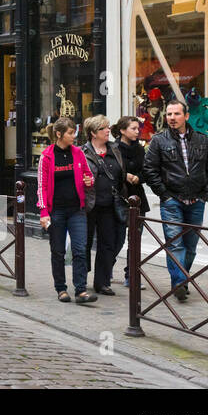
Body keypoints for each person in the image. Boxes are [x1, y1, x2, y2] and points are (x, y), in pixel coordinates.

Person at [143, 97, 208, 301]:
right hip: (172, 200)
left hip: (196, 200)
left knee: (191, 246)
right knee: (175, 243)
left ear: (186, 116)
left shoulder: (202, 140)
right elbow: (150, 170)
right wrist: (164, 195)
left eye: (176, 114)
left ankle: (181, 278)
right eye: (169, 114)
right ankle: (179, 283)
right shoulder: (159, 140)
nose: (172, 118)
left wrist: (205, 194)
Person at [37, 117, 97, 304]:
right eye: (70, 133)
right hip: (56, 211)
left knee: (80, 249)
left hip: (76, 210)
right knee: (58, 251)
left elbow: (89, 175)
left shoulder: (78, 153)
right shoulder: (47, 156)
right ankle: (61, 289)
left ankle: (81, 290)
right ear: (58, 134)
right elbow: (41, 186)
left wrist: (89, 181)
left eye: (74, 132)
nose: (74, 136)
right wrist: (44, 212)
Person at [83, 115, 127, 297]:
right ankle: (80, 279)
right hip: (88, 205)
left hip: (110, 204)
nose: (108, 131)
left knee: (108, 243)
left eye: (108, 127)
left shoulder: (115, 150)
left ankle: (102, 282)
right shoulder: (81, 152)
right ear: (93, 133)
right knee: (83, 244)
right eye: (103, 128)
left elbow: (120, 175)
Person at [112, 116, 149, 286]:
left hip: (137, 198)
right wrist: (124, 176)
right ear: (122, 130)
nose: (137, 131)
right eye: (133, 128)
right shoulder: (113, 148)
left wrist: (138, 178)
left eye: (137, 128)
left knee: (135, 240)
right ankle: (106, 267)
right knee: (117, 239)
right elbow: (109, 172)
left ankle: (131, 276)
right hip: (120, 198)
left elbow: (147, 170)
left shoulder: (140, 149)